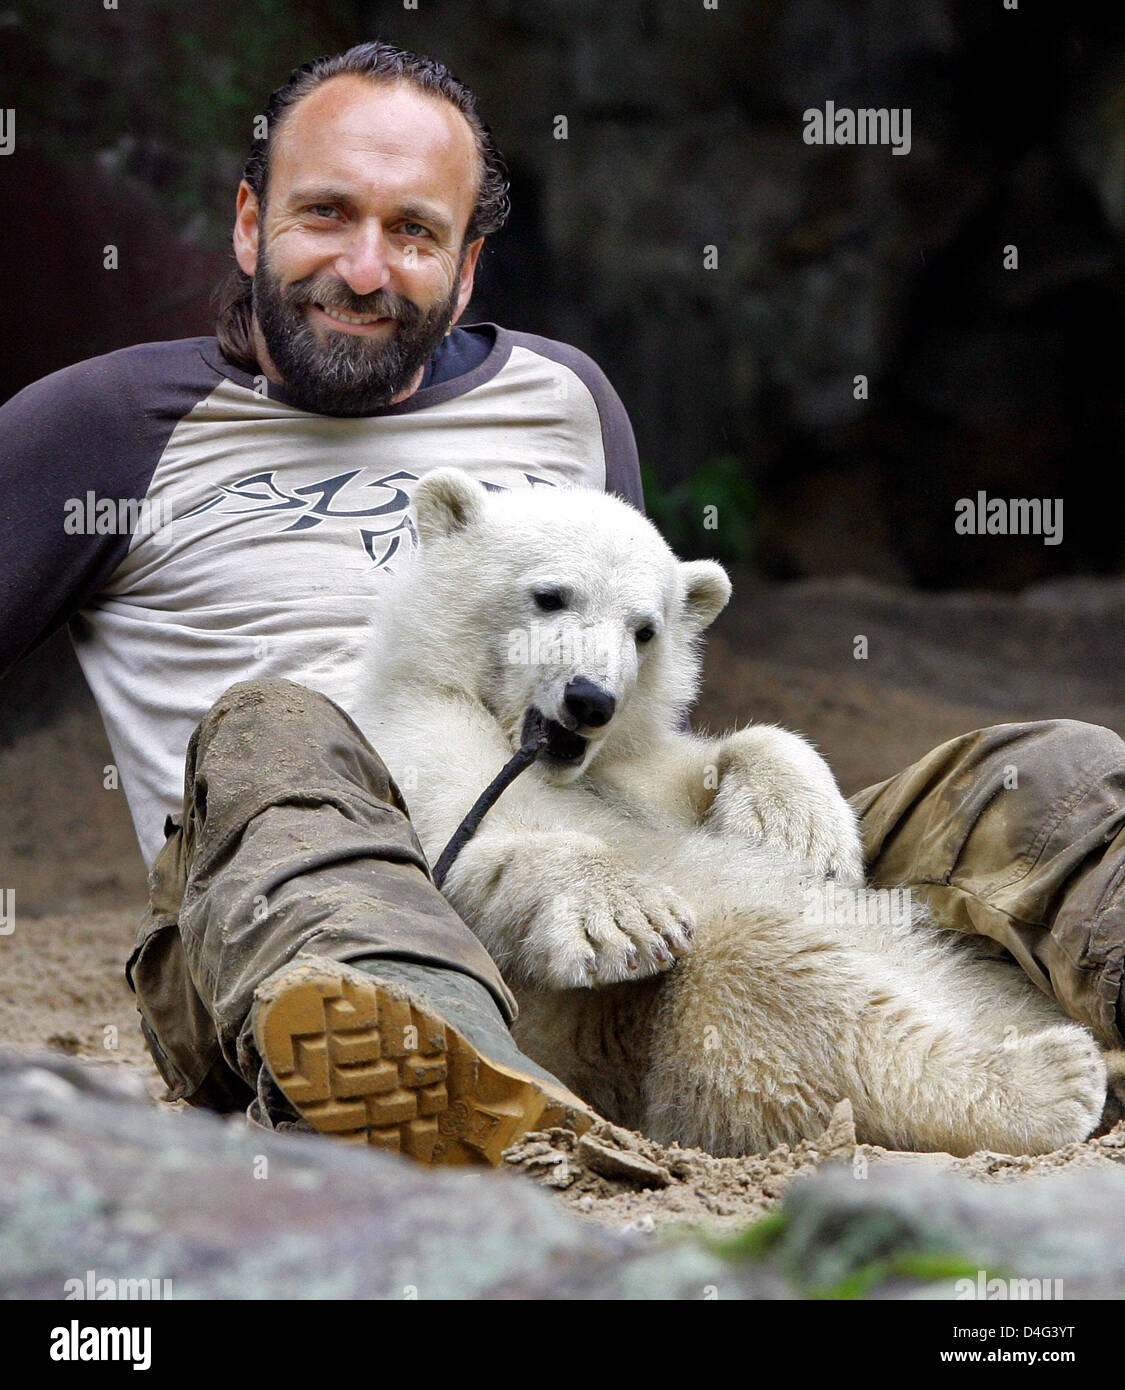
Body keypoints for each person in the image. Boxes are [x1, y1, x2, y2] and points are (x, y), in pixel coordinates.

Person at [2, 41, 1123, 1166]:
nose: (364, 267)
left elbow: (630, 712)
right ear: (250, 223)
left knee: (1053, 778)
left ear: (469, 263)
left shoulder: (564, 399)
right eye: (326, 214)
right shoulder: (106, 427)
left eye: (413, 231)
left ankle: (1082, 1018)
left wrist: (752, 769)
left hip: (619, 884)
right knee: (276, 721)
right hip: (284, 919)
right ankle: (431, 1054)